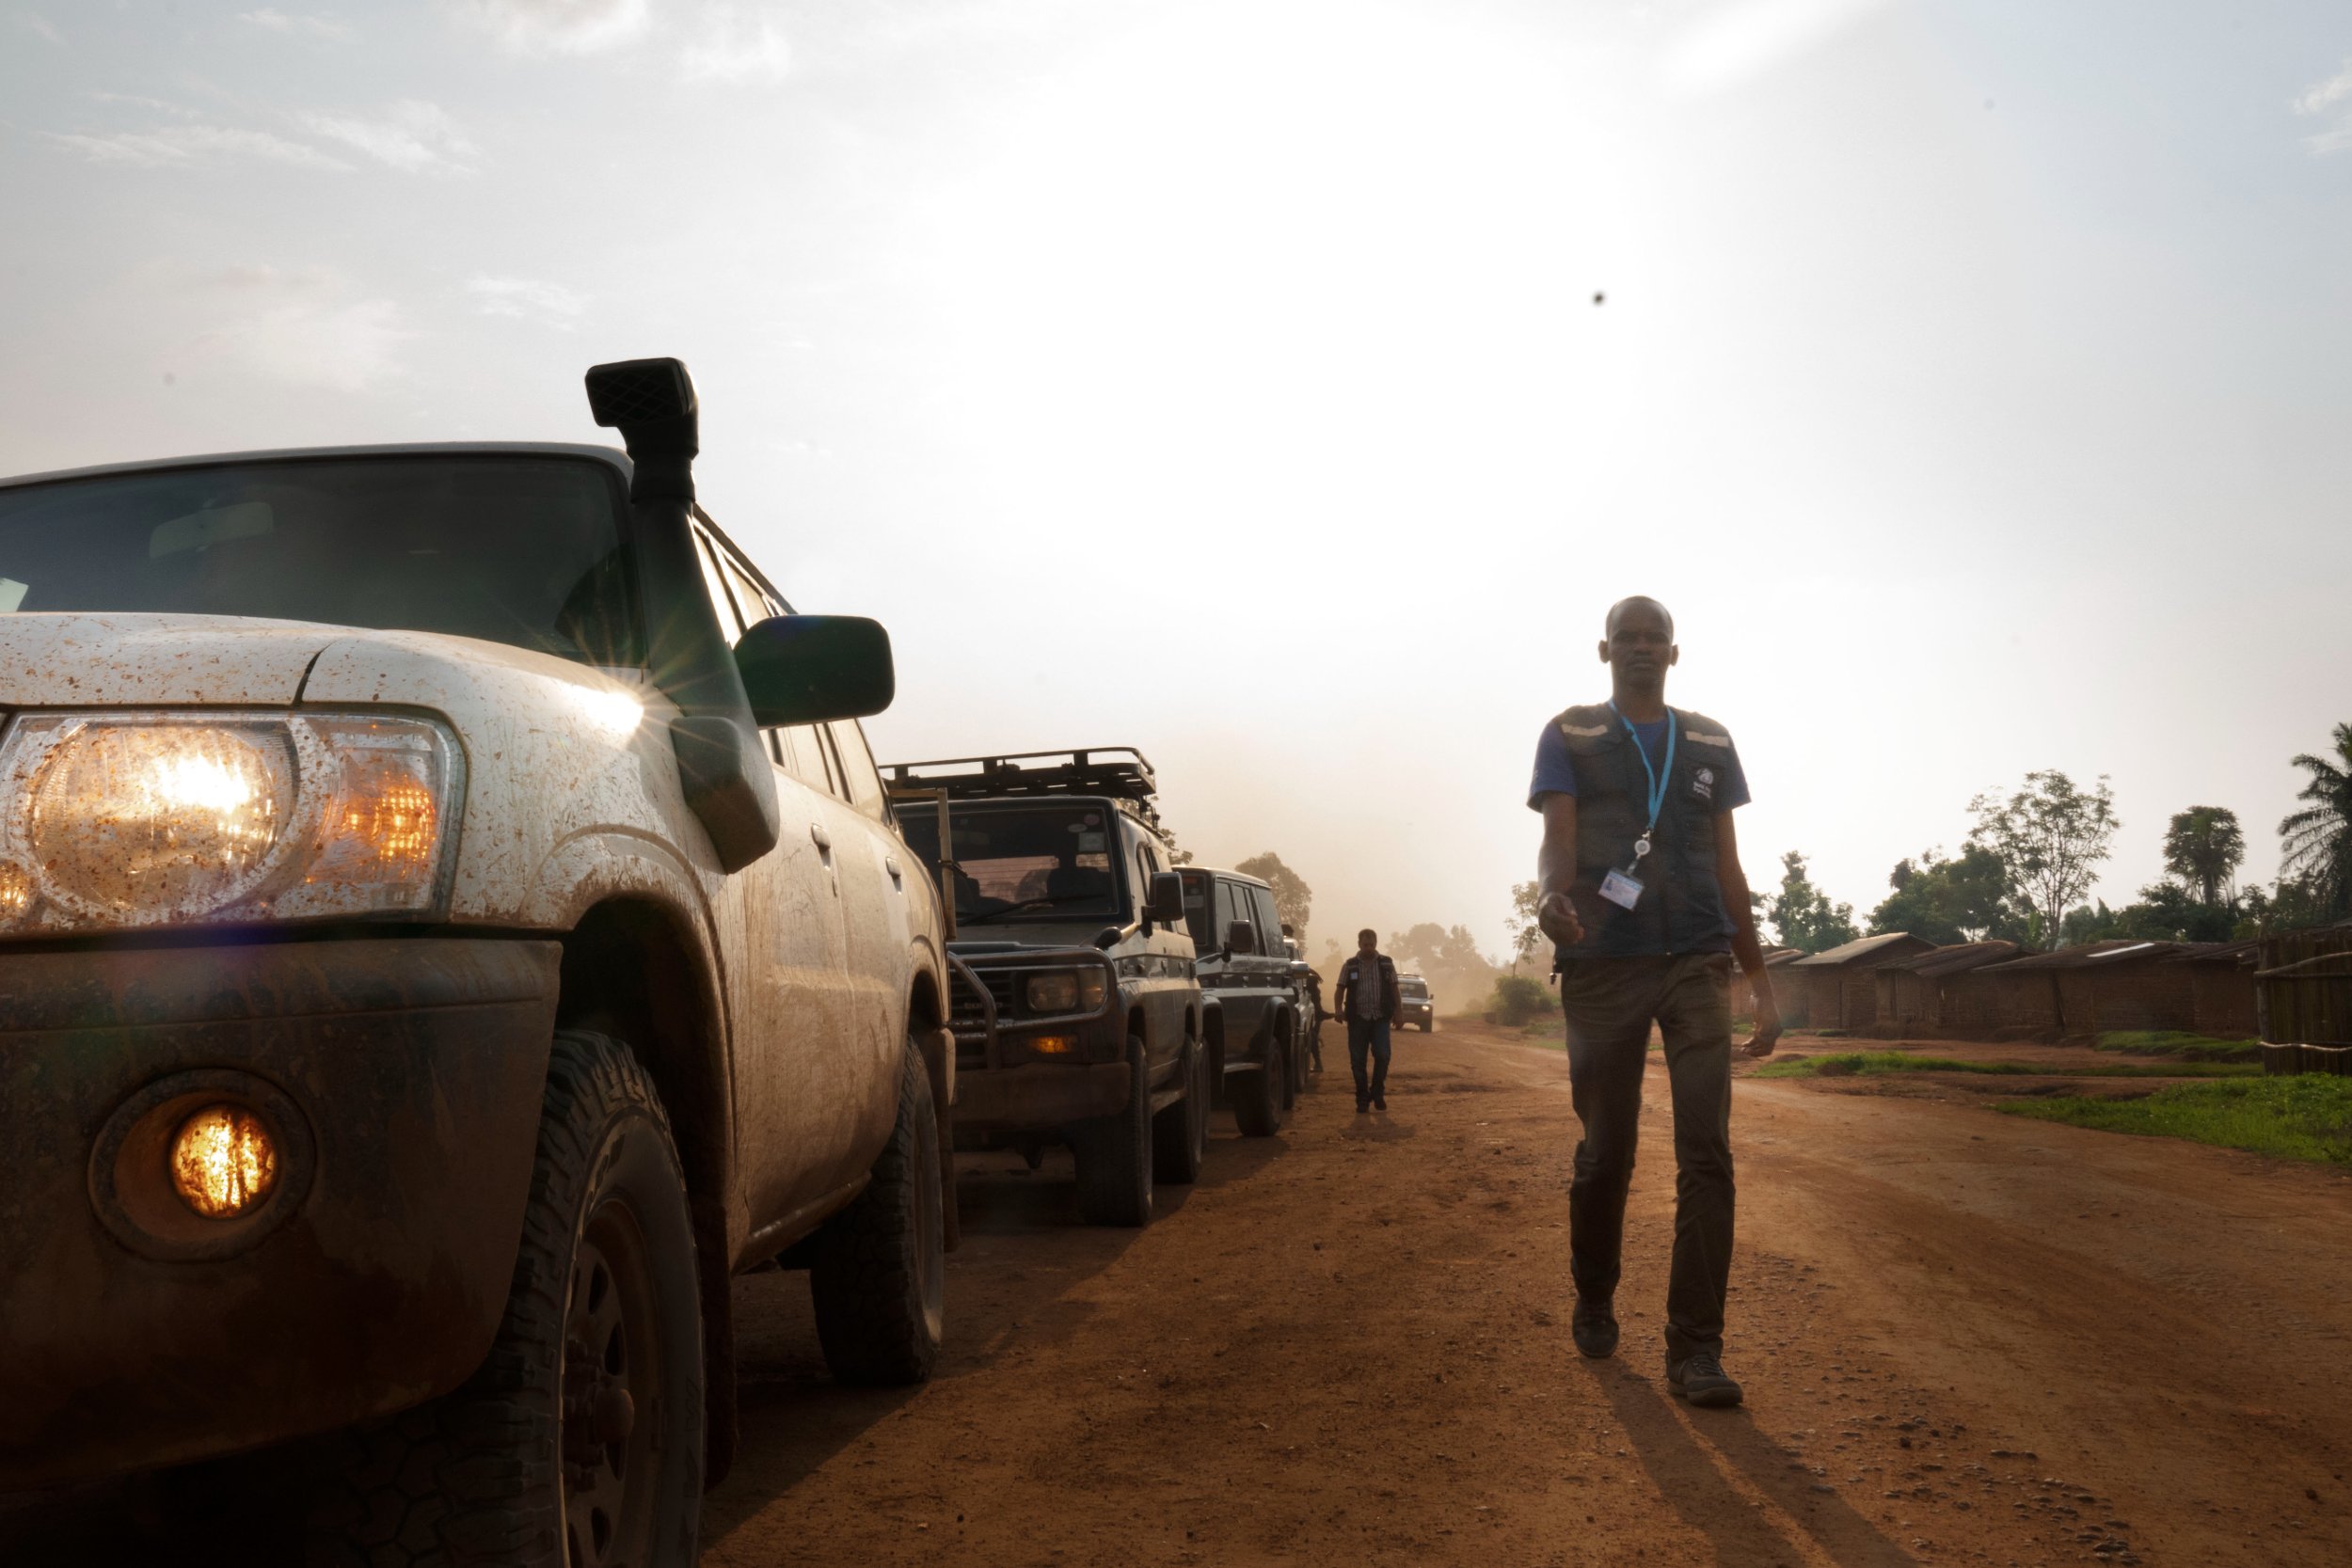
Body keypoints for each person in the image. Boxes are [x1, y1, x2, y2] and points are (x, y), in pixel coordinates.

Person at [1529, 595, 1782, 1409]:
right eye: (1628, 637)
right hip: (1604, 961)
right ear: (1605, 649)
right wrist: (1549, 897)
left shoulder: (1709, 740)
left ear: (1676, 653)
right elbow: (1558, 840)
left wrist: (1760, 983)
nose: (1642, 648)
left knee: (1707, 1153)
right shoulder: (1569, 734)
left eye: (1656, 638)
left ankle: (1695, 1349)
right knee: (1608, 1153)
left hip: (1698, 962)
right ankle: (1595, 1290)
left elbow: (1730, 866)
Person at [1331, 928, 1400, 1113]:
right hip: (1358, 1019)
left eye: (1371, 945)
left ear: (1376, 944)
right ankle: (1362, 1098)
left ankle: (1377, 1093)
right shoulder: (1350, 966)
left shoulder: (1387, 964)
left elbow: (1395, 990)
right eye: (1365, 945)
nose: (1368, 948)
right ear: (1359, 944)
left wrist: (1399, 1013)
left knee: (1383, 1055)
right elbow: (1340, 990)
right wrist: (1338, 1010)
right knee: (1358, 1061)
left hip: (1380, 1018)